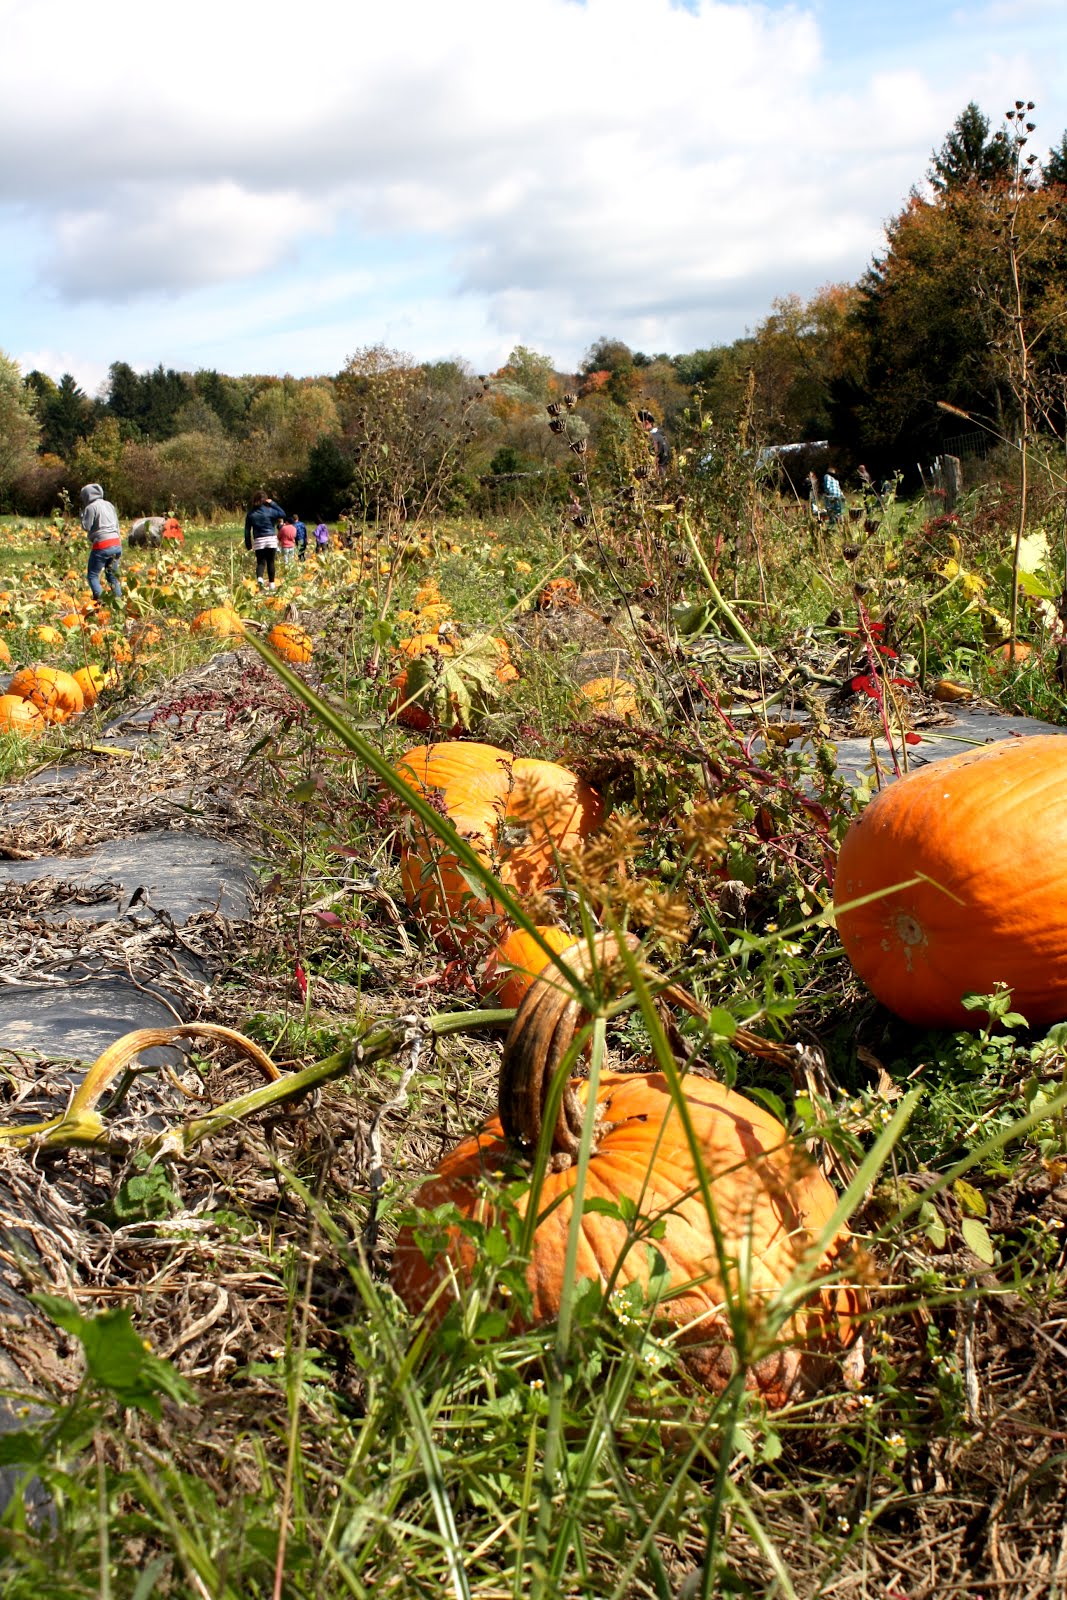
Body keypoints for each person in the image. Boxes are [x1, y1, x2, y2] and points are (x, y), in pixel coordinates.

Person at [80, 483, 123, 601]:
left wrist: (82, 516)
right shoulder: (109, 505)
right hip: (116, 543)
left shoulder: (91, 507)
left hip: (102, 544)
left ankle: (101, 601)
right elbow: (117, 525)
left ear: (86, 496)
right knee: (112, 575)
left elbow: (87, 526)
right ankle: (119, 600)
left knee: (93, 575)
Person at [244, 490, 285, 591]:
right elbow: (282, 514)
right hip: (271, 539)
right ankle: (272, 585)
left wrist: (248, 544)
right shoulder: (270, 510)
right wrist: (273, 503)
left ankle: (260, 579)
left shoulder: (250, 514)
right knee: (271, 562)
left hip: (259, 540)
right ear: (265, 500)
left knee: (261, 562)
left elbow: (247, 530)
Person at [637, 408, 670, 474]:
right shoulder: (661, 435)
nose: (637, 426)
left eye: (638, 423)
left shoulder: (652, 438)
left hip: (656, 473)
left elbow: (648, 458)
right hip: (663, 472)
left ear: (646, 422)